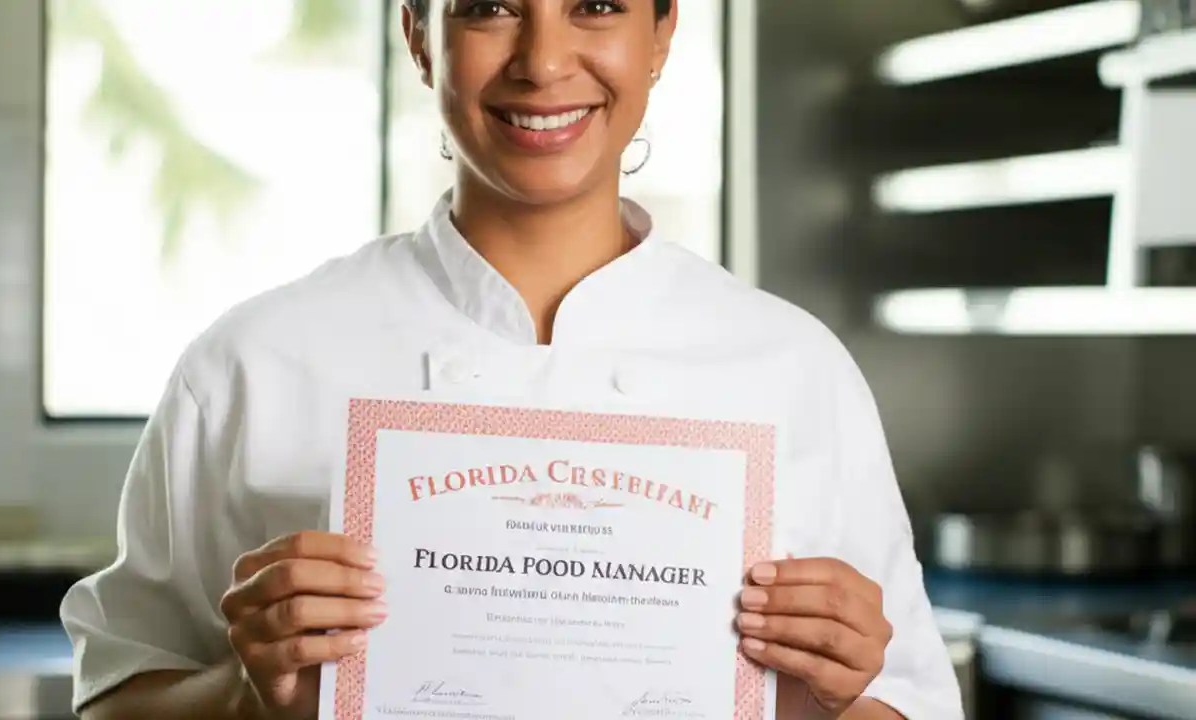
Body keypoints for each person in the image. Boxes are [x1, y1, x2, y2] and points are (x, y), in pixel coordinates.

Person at [61, 1, 963, 718]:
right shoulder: (253, 364)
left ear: (662, 34)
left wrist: (833, 701)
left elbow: (911, 706)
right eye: (489, 8)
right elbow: (115, 699)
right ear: (419, 37)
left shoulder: (795, 369)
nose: (542, 59)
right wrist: (250, 696)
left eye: (598, 6)